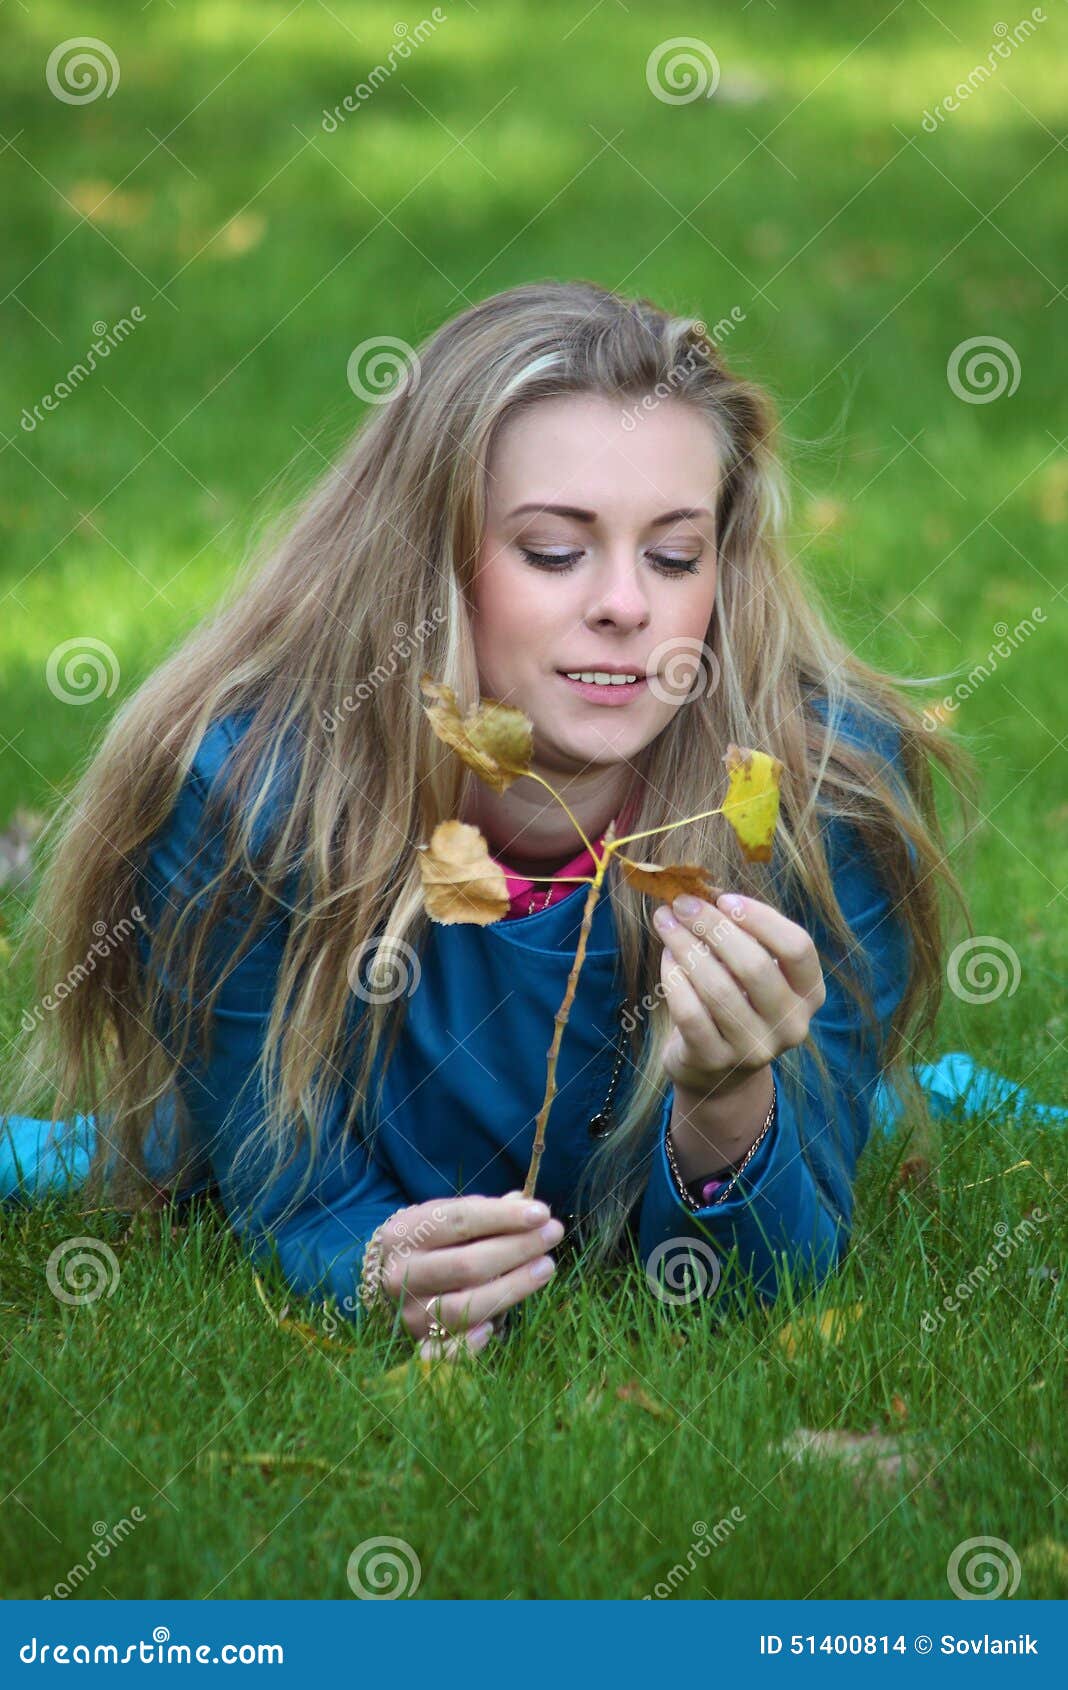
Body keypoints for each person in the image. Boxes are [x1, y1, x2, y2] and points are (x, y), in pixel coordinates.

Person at [2, 279, 1031, 1362]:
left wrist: (729, 1106)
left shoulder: (819, 800)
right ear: (424, 563)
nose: (627, 604)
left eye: (675, 555)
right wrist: (360, 1257)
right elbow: (286, 1184)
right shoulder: (250, 791)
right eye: (554, 550)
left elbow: (764, 1292)